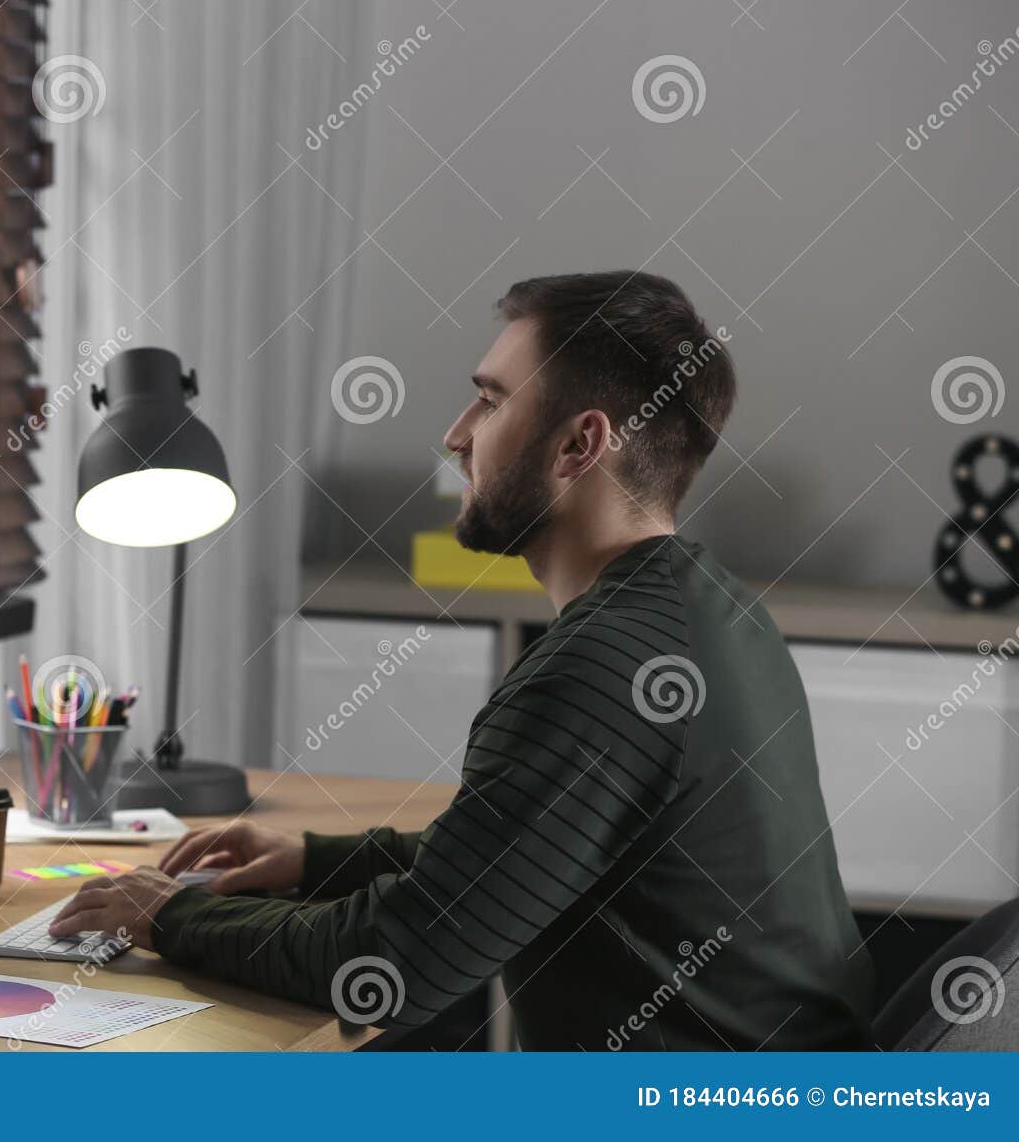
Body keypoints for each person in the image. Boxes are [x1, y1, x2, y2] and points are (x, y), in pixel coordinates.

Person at [48, 271, 876, 1052]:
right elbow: (513, 852)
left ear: (579, 444)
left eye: (489, 401)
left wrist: (169, 918)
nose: (455, 435)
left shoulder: (599, 670)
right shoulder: (714, 609)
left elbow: (391, 966)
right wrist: (314, 858)